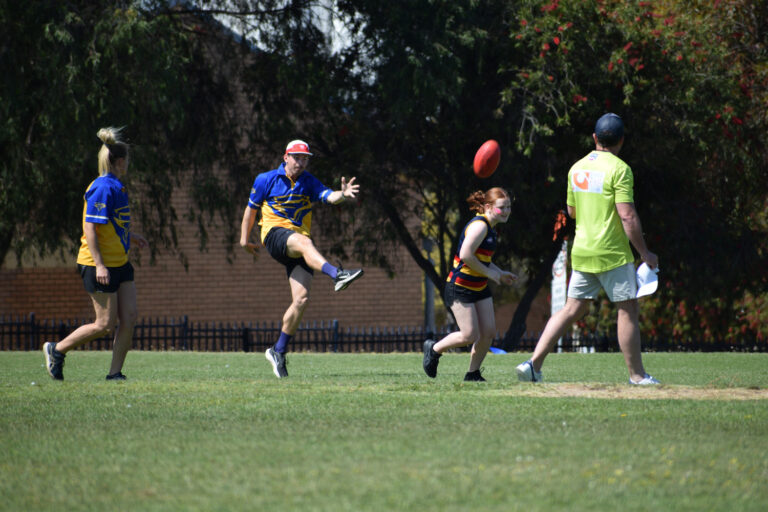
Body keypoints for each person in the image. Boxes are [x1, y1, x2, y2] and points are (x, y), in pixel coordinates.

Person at [516, 113, 660, 385]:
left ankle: (532, 364)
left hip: (582, 251)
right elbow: (627, 216)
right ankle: (637, 376)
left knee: (571, 310)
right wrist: (645, 253)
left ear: (595, 138)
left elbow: (571, 212)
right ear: (621, 140)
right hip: (613, 253)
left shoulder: (576, 168)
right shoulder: (620, 169)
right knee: (627, 309)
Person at [240, 140, 364, 379]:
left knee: (302, 300)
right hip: (275, 236)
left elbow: (329, 196)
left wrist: (344, 195)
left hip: (297, 245)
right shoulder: (265, 179)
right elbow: (250, 210)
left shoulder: (309, 181)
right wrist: (244, 240)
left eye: (305, 158)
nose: (301, 161)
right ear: (285, 157)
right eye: (296, 157)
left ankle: (278, 350)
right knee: (305, 242)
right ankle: (337, 275)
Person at [43, 127, 148, 381]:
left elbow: (110, 224)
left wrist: (129, 237)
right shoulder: (102, 187)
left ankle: (115, 374)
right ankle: (56, 350)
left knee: (130, 316)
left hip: (120, 263)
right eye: (128, 161)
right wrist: (100, 265)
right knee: (103, 325)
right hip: (98, 264)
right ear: (120, 161)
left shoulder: (116, 186)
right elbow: (89, 228)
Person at [422, 187, 517, 382]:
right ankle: (433, 349)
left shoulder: (491, 228)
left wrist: (500, 272)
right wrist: (492, 274)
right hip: (460, 286)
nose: (506, 211)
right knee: (469, 335)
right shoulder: (480, 226)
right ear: (488, 207)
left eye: (509, 207)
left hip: (478, 287)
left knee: (488, 332)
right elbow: (466, 255)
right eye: (502, 207)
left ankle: (472, 374)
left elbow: (482, 259)